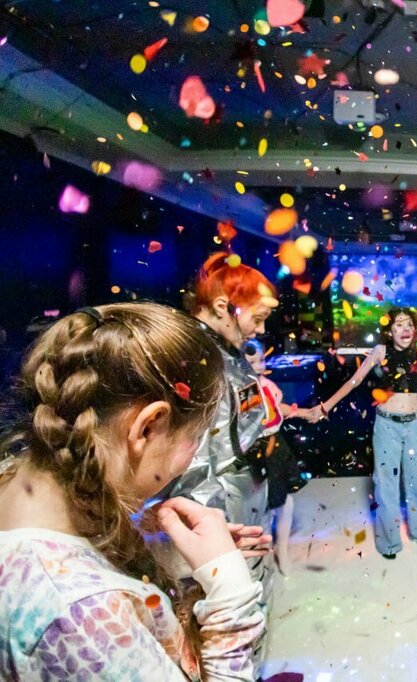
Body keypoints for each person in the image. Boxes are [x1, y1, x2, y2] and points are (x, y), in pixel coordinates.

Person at [0, 303, 267, 679]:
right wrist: (231, 596)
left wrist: (156, 550)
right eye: (195, 436)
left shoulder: (16, 478)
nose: (193, 453)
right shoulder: (81, 616)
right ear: (148, 426)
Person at [307, 308, 417, 558]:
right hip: (387, 427)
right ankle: (389, 543)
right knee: (386, 486)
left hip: (414, 426)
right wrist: (325, 407)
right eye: (399, 324)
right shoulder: (380, 351)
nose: (405, 329)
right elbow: (354, 381)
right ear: (389, 330)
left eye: (409, 324)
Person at [167, 252, 280, 585]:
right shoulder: (195, 361)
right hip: (224, 493)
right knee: (236, 578)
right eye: (257, 318)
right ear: (221, 307)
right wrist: (215, 527)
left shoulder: (226, 347)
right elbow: (193, 462)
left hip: (248, 481)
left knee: (255, 569)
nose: (260, 329)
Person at [243, 339, 308, 575]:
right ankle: (264, 553)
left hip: (277, 443)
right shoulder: (245, 390)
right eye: (252, 362)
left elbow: (278, 408)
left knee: (285, 499)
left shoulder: (267, 384)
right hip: (258, 449)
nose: (259, 366)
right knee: (262, 504)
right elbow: (249, 422)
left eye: (261, 360)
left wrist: (302, 412)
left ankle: (282, 548)